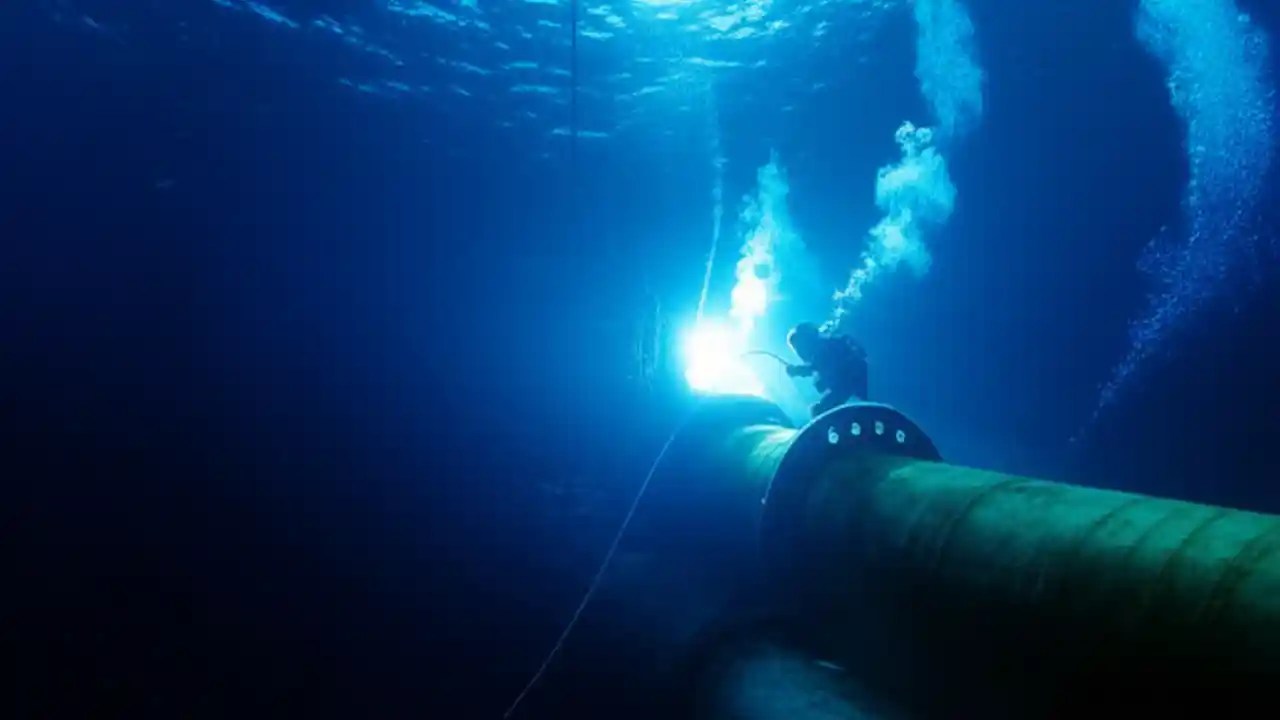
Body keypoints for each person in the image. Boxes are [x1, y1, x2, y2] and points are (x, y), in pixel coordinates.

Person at [785, 322, 869, 418]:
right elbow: (817, 367)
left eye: (799, 347)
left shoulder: (825, 347)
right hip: (853, 383)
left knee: (819, 411)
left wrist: (797, 371)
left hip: (853, 381)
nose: (799, 352)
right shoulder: (825, 347)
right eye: (796, 349)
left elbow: (819, 367)